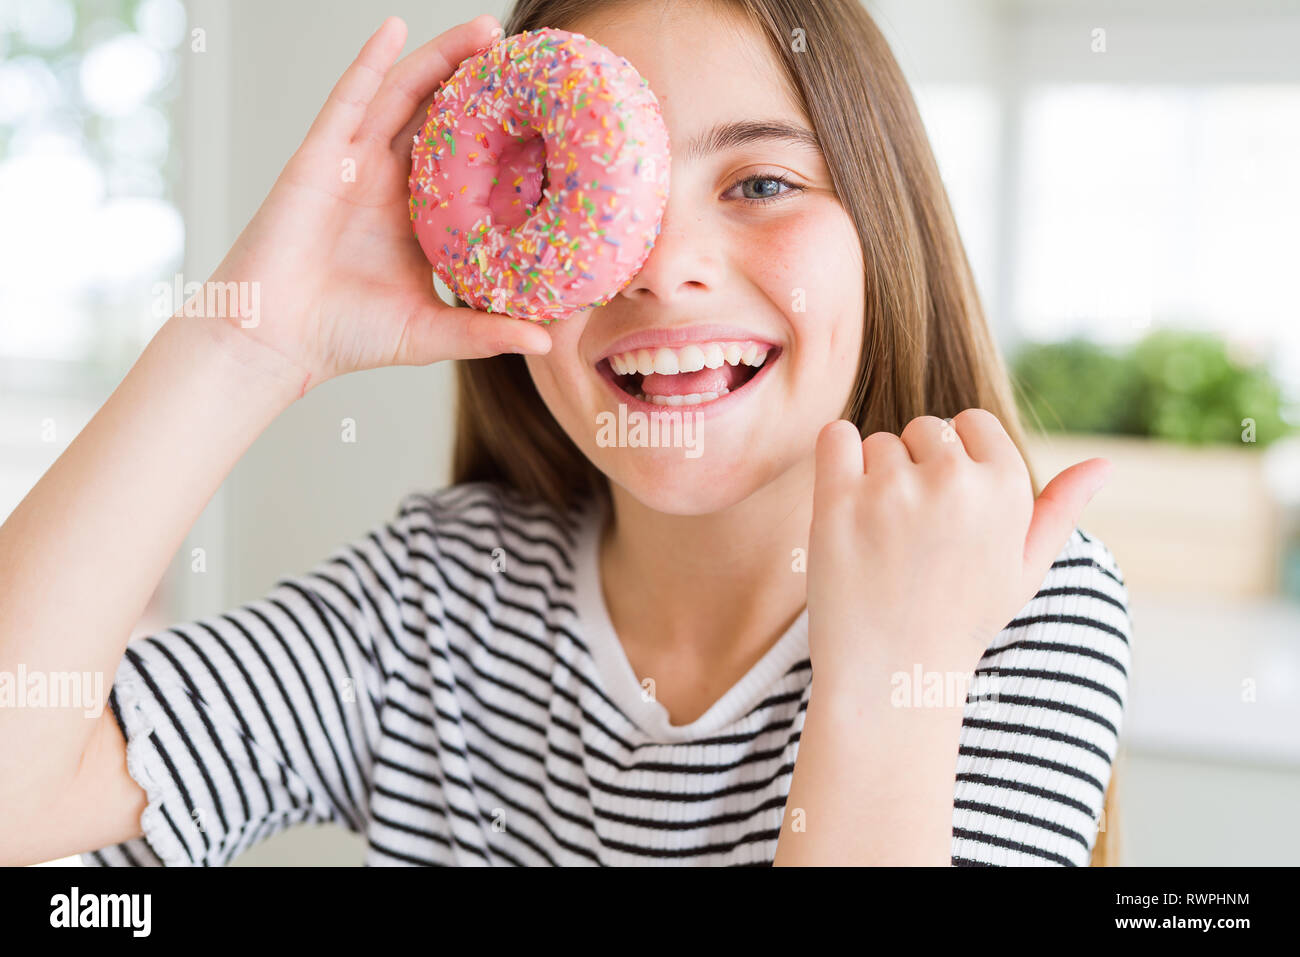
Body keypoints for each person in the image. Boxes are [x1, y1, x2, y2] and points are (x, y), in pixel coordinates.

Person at [0, 0, 1130, 867]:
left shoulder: (1001, 600)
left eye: (760, 182)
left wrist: (889, 684)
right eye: (566, 189)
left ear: (883, 226)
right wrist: (243, 344)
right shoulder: (439, 598)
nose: (659, 266)